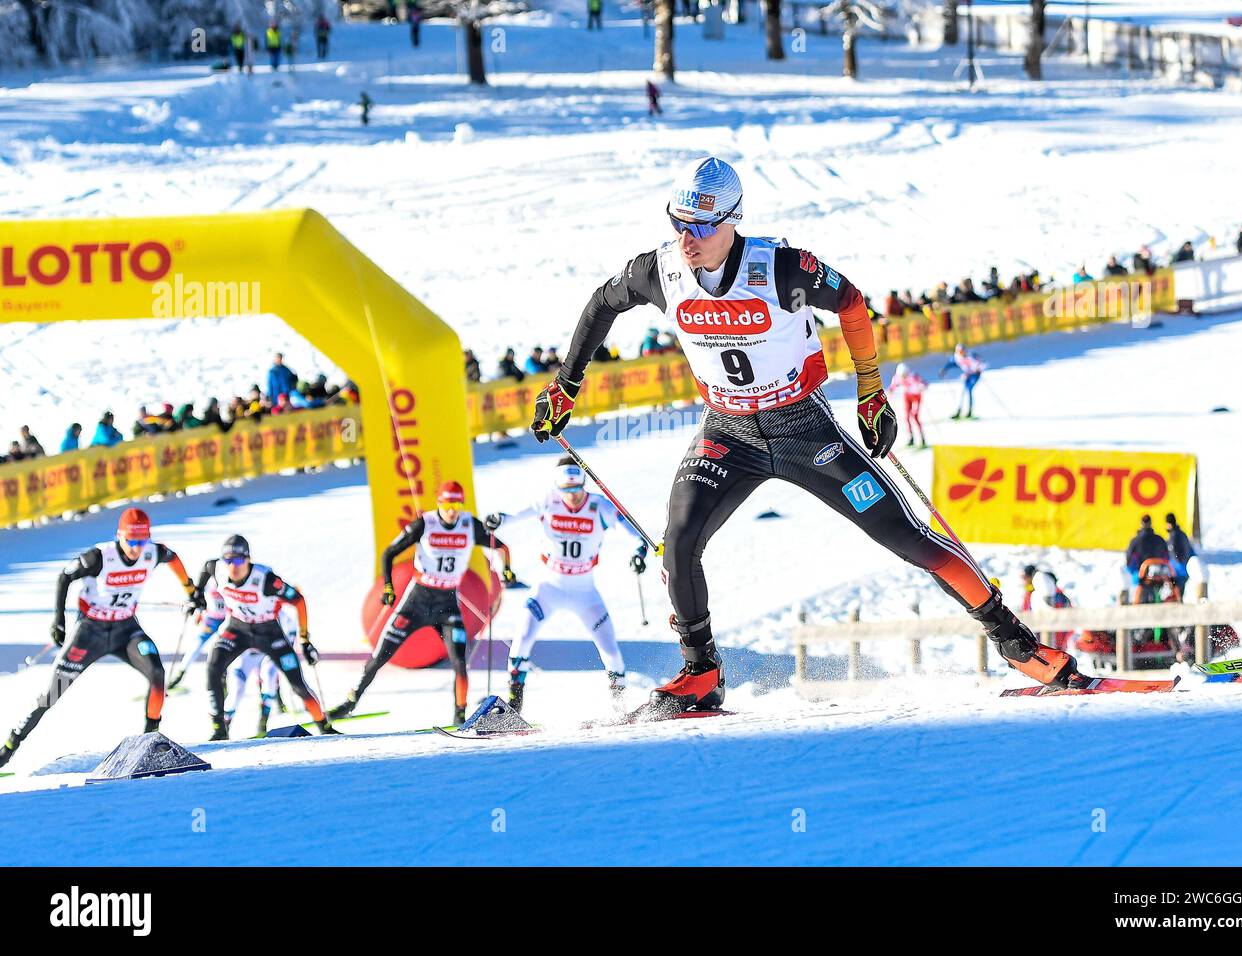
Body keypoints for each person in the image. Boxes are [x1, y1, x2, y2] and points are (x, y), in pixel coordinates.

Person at [528, 156, 1085, 719]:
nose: (686, 237)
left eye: (700, 226)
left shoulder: (780, 267)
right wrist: (565, 386)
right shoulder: (661, 270)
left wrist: (871, 392)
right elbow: (603, 303)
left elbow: (851, 302)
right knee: (680, 539)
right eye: (678, 223)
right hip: (727, 432)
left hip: (802, 426)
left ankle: (1021, 648)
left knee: (908, 538)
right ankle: (702, 672)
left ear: (732, 221)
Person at [0, 509, 198, 770]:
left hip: (125, 630)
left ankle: (150, 743)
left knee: (157, 674)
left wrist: (190, 589)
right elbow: (65, 576)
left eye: (142, 541)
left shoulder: (152, 552)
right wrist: (58, 620)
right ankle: (9, 748)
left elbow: (173, 558)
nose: (137, 549)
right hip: (90, 633)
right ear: (120, 536)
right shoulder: (100, 556)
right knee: (52, 694)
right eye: (132, 542)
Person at [328, 481, 513, 726]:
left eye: (456, 504)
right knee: (380, 655)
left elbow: (502, 548)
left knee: (459, 662)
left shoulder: (470, 525)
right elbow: (389, 553)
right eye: (447, 504)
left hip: (447, 604)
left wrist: (507, 571)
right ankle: (350, 702)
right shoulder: (425, 524)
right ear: (439, 502)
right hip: (417, 601)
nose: (452, 510)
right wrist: (388, 587)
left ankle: (460, 716)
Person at [486, 457, 649, 716]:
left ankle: (620, 711)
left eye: (576, 490)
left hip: (585, 593)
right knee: (521, 641)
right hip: (548, 588)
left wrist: (639, 553)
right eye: (566, 491)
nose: (571, 496)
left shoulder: (599, 506)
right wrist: (498, 519)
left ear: (583, 483)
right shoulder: (547, 501)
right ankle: (514, 710)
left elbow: (635, 535)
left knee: (611, 651)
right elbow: (515, 516)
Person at [191, 534, 335, 740]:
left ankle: (324, 727)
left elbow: (298, 600)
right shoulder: (218, 569)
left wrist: (304, 638)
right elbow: (206, 568)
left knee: (297, 684)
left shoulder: (266, 580)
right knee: (213, 667)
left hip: (268, 632)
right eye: (229, 560)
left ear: (248, 559)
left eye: (239, 560)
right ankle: (219, 729)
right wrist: (196, 595)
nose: (233, 566)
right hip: (238, 629)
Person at [168, 587, 228, 691]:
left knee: (222, 649)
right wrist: (198, 610)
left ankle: (223, 679)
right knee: (199, 643)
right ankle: (180, 673)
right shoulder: (210, 576)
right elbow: (199, 595)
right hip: (213, 618)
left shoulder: (224, 575)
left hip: (227, 620)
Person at [1124, 515, 1169, 597]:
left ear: (1141, 524)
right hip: (1159, 575)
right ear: (1151, 523)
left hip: (1140, 577)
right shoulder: (1160, 540)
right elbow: (1167, 558)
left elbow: (1129, 561)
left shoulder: (1135, 541)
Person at [939, 342, 985, 419]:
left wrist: (978, 367)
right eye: (959, 352)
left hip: (975, 374)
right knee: (962, 392)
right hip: (967, 374)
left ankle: (969, 411)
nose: (961, 353)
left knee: (969, 390)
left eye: (962, 351)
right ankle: (959, 411)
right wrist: (944, 370)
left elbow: (980, 362)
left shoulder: (971, 355)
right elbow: (950, 364)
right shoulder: (956, 357)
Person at [887, 362, 927, 448]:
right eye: (902, 375)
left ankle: (922, 438)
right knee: (907, 417)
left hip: (916, 396)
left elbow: (924, 383)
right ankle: (911, 438)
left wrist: (922, 386)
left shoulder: (913, 376)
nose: (904, 377)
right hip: (907, 396)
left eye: (905, 375)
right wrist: (890, 390)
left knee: (915, 416)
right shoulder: (897, 377)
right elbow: (893, 385)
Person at [1164, 513, 1196, 599]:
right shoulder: (1182, 534)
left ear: (1168, 524)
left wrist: (1176, 562)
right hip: (1185, 568)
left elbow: (1173, 552)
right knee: (1179, 593)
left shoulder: (1173, 536)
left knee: (1177, 593)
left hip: (1178, 570)